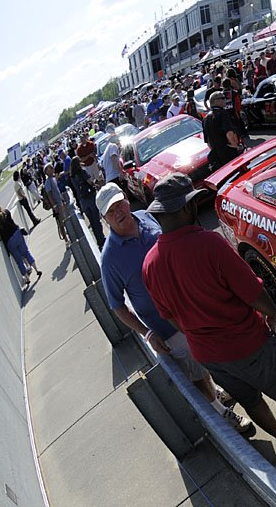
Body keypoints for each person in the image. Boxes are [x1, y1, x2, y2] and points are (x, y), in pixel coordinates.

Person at [141, 174, 276, 457]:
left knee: (248, 399)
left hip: (207, 354)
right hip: (247, 341)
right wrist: (273, 314)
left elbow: (169, 317)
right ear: (185, 208)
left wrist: (198, 330)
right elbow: (251, 290)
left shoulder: (149, 264)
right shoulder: (209, 243)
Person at [96, 183, 251, 433]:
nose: (118, 212)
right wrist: (147, 333)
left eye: (119, 203)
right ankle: (221, 413)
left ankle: (216, 394)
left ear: (126, 199)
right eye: (110, 211)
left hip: (194, 305)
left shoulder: (148, 217)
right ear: (103, 219)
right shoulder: (110, 259)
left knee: (211, 357)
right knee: (195, 370)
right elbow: (117, 306)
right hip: (165, 325)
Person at [0, 205, 41, 287]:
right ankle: (37, 269)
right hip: (17, 234)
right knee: (26, 253)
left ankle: (27, 279)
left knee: (19, 261)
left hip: (9, 242)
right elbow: (13, 222)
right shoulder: (6, 212)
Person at [69, 156, 106, 248]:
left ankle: (98, 240)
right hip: (90, 197)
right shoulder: (82, 172)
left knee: (92, 222)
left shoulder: (72, 177)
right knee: (97, 220)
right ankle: (102, 239)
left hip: (82, 200)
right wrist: (96, 182)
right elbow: (90, 182)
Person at [202, 92, 241, 171]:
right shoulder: (223, 113)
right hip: (228, 152)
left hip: (217, 155)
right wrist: (235, 146)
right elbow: (229, 132)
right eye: (222, 98)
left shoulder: (205, 118)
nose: (225, 100)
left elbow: (208, 141)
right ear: (214, 101)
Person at [43, 163, 70, 246]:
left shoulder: (53, 178)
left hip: (60, 203)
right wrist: (54, 206)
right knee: (61, 223)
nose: (52, 168)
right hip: (57, 206)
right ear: (47, 171)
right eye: (50, 168)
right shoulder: (48, 182)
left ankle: (68, 236)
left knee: (65, 220)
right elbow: (49, 194)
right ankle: (66, 240)